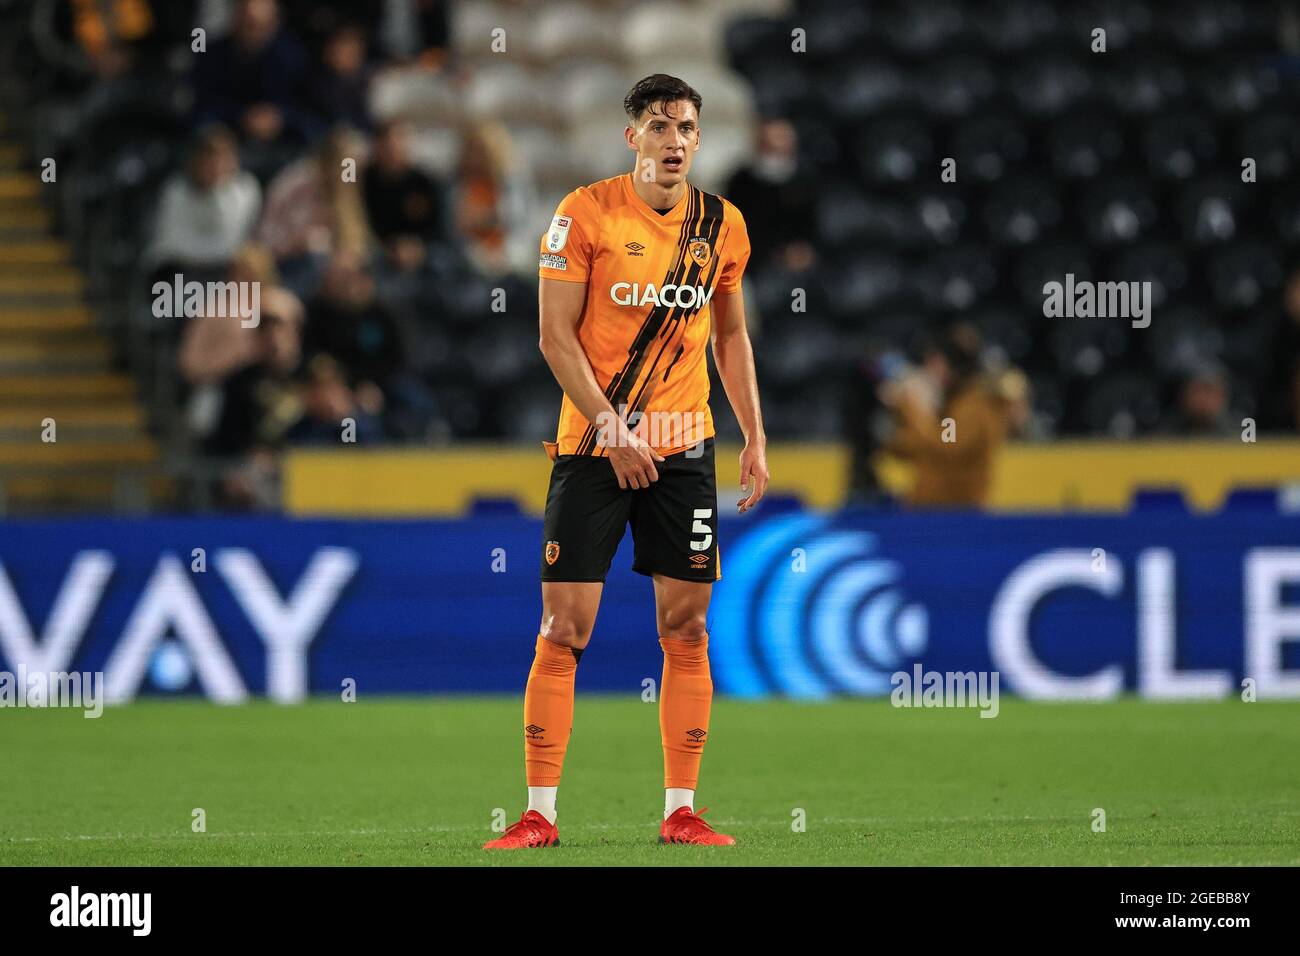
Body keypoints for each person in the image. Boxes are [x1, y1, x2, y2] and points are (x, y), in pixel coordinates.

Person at [483, 74, 769, 850]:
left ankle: (681, 809)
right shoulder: (584, 213)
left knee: (686, 626)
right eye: (658, 125)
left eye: (686, 127)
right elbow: (553, 337)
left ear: (700, 139)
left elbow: (732, 336)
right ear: (631, 136)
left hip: (684, 447)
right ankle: (539, 814)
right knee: (563, 627)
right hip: (593, 446)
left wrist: (755, 434)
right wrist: (612, 428)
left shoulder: (723, 226)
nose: (674, 140)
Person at [883, 324, 1014, 508]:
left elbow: (946, 447)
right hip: (934, 511)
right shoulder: (951, 405)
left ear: (951, 366)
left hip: (955, 516)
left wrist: (911, 408)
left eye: (933, 364)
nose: (928, 372)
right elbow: (914, 449)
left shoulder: (971, 407)